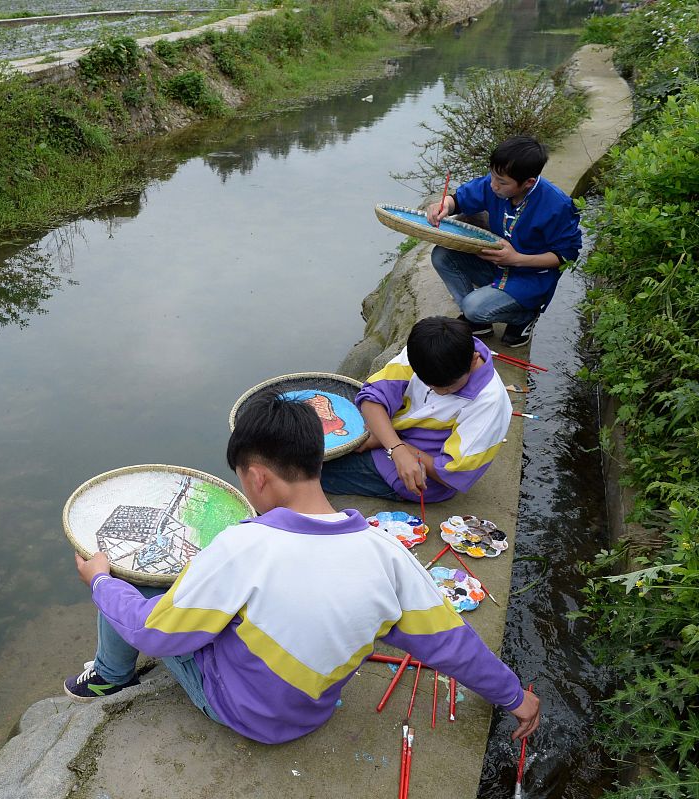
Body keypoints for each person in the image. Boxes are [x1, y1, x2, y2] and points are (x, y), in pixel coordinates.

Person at [64, 392, 540, 745]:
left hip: (242, 712)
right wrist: (514, 696)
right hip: (311, 711)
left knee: (127, 587)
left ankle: (110, 675)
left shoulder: (243, 546)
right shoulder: (387, 552)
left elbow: (153, 635)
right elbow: (449, 642)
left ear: (256, 477)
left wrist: (101, 581)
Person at [319, 316, 511, 503]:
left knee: (309, 472)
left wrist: (393, 446)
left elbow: (450, 475)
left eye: (448, 387)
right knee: (311, 445)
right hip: (389, 438)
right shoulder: (426, 351)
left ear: (473, 360)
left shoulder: (489, 403)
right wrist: (394, 446)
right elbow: (371, 399)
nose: (438, 392)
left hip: (417, 474)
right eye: (429, 384)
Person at [425, 136, 582, 348]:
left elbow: (566, 255)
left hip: (530, 279)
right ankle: (478, 322)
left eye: (502, 182)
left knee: (473, 307)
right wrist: (445, 204)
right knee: (442, 255)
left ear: (528, 183)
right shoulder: (497, 185)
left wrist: (516, 259)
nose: (493, 185)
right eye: (492, 176)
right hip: (498, 266)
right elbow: (461, 199)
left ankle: (525, 316)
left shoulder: (557, 205)